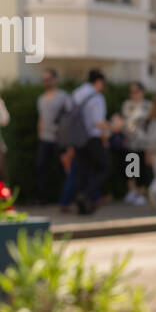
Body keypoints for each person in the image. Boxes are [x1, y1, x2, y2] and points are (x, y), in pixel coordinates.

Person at [69, 69, 110, 214]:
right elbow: (97, 122)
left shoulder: (77, 93)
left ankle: (82, 206)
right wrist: (112, 125)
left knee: (82, 171)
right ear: (99, 81)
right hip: (92, 138)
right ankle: (86, 194)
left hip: (77, 137)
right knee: (105, 167)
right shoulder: (96, 97)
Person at [36, 67, 69, 204]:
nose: (46, 82)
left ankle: (65, 198)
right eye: (44, 80)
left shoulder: (63, 97)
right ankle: (41, 198)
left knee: (62, 169)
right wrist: (39, 133)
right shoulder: (41, 99)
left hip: (59, 139)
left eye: (49, 79)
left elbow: (69, 117)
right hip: (45, 139)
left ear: (55, 80)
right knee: (40, 167)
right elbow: (41, 118)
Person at [119, 81, 151, 205]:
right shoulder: (127, 105)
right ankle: (132, 191)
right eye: (131, 92)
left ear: (142, 92)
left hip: (144, 142)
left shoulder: (148, 106)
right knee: (131, 168)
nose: (133, 94)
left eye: (136, 91)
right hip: (130, 142)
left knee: (142, 170)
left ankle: (141, 193)